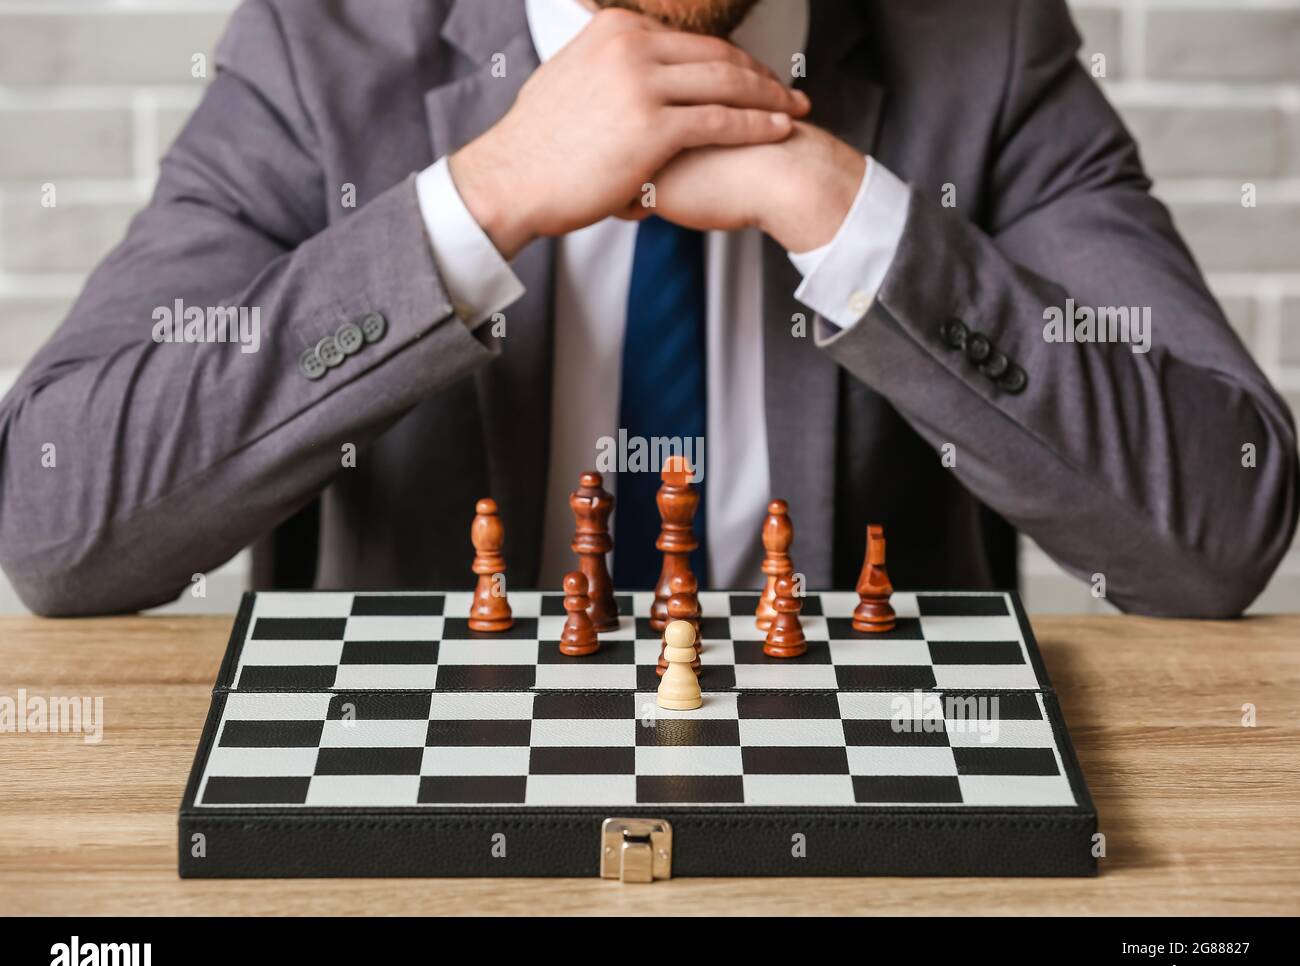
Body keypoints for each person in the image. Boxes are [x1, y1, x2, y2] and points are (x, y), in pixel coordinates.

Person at [0, 0, 1294, 618]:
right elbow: (57, 527)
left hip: (856, 838)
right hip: (429, 828)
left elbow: (1218, 527)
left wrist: (851, 213)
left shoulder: (984, 46)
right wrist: (473, 204)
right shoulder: (322, 52)